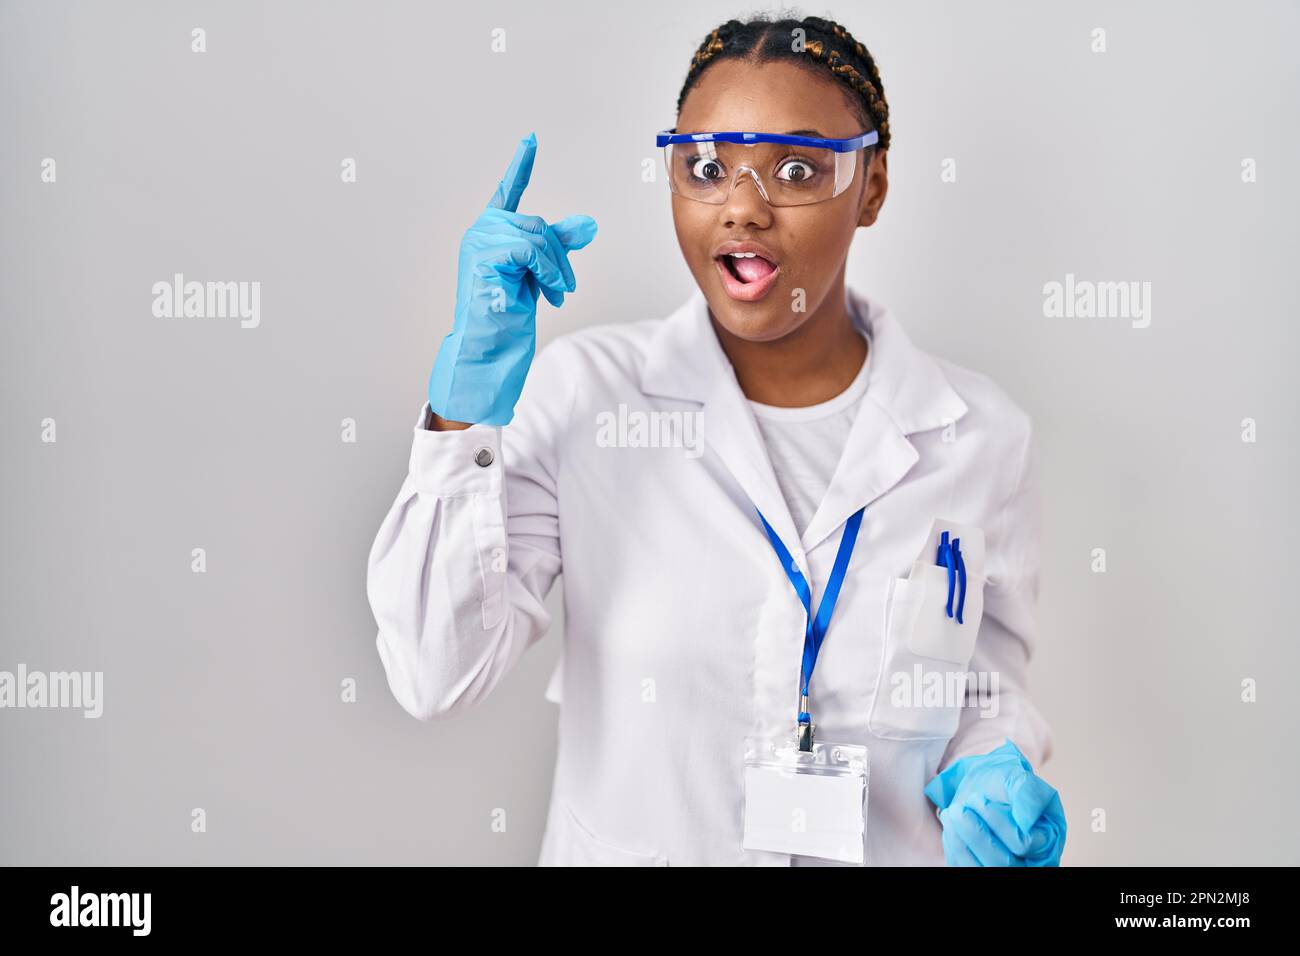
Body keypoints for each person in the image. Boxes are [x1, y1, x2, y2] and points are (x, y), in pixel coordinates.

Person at [367, 13, 1066, 866]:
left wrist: (994, 765)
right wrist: (465, 416)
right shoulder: (587, 397)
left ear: (873, 186)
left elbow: (978, 694)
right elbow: (434, 674)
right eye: (706, 168)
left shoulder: (980, 437)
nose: (742, 206)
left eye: (798, 169)